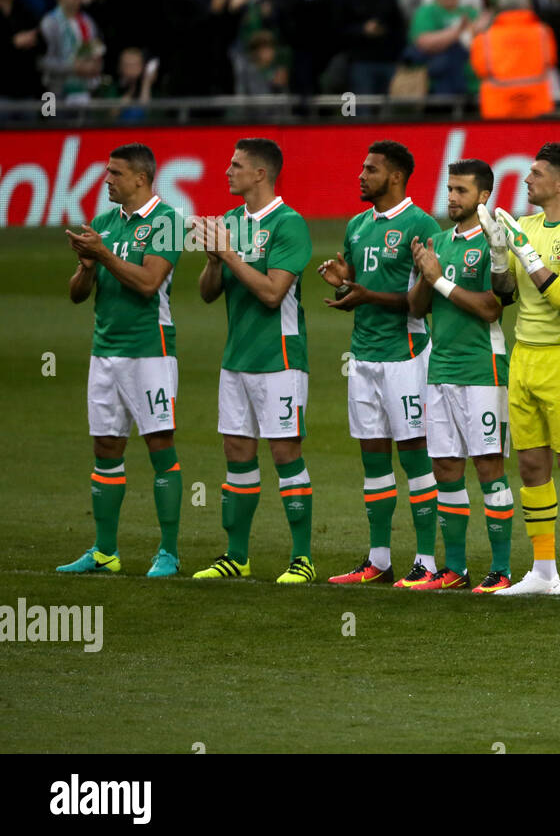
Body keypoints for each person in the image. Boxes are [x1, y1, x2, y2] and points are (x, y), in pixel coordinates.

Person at [478, 142, 560, 599]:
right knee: (531, 465)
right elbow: (506, 294)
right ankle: (543, 572)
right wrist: (499, 256)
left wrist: (526, 252)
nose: (527, 180)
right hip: (523, 357)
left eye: (535, 173)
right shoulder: (525, 224)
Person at [317, 141, 442, 589]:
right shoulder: (356, 225)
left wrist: (367, 294)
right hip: (364, 358)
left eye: (370, 169)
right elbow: (355, 280)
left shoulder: (421, 225)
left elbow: (418, 303)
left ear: (394, 177)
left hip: (405, 357)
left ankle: (426, 562)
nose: (360, 175)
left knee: (415, 460)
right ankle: (378, 560)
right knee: (373, 460)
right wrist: (345, 282)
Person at [59, 143, 184, 578]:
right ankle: (104, 551)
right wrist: (87, 267)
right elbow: (77, 294)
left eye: (115, 173)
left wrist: (104, 256)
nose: (107, 180)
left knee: (159, 447)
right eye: (107, 172)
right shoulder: (104, 223)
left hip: (150, 351)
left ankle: (168, 552)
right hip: (105, 352)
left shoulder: (168, 221)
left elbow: (150, 283)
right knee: (106, 447)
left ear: (140, 179)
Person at [196, 138, 315, 584]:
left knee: (285, 453)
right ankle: (236, 555)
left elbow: (271, 293)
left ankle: (302, 557)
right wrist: (213, 261)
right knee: (237, 454)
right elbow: (209, 293)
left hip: (280, 359)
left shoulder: (290, 225)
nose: (227, 171)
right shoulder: (228, 223)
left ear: (261, 174)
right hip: (236, 360)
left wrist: (228, 254)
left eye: (236, 165)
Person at [406, 159, 516, 594]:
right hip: (441, 369)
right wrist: (422, 273)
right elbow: (415, 309)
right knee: (446, 467)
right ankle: (452, 568)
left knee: (489, 466)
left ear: (483, 197)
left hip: (482, 370)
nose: (451, 197)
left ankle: (502, 569)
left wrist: (440, 281)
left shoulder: (494, 243)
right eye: (449, 189)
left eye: (461, 191)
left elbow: (493, 307)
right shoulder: (436, 242)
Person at [469, 0, 557, 119]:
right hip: (537, 107)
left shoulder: (485, 37)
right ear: (528, 6)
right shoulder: (543, 32)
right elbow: (550, 62)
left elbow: (479, 69)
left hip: (497, 108)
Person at [39, 0, 103, 104]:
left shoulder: (88, 22)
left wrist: (95, 64)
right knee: (52, 122)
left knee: (86, 123)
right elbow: (42, 61)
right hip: (53, 92)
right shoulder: (49, 22)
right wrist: (72, 67)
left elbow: (96, 50)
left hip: (83, 90)